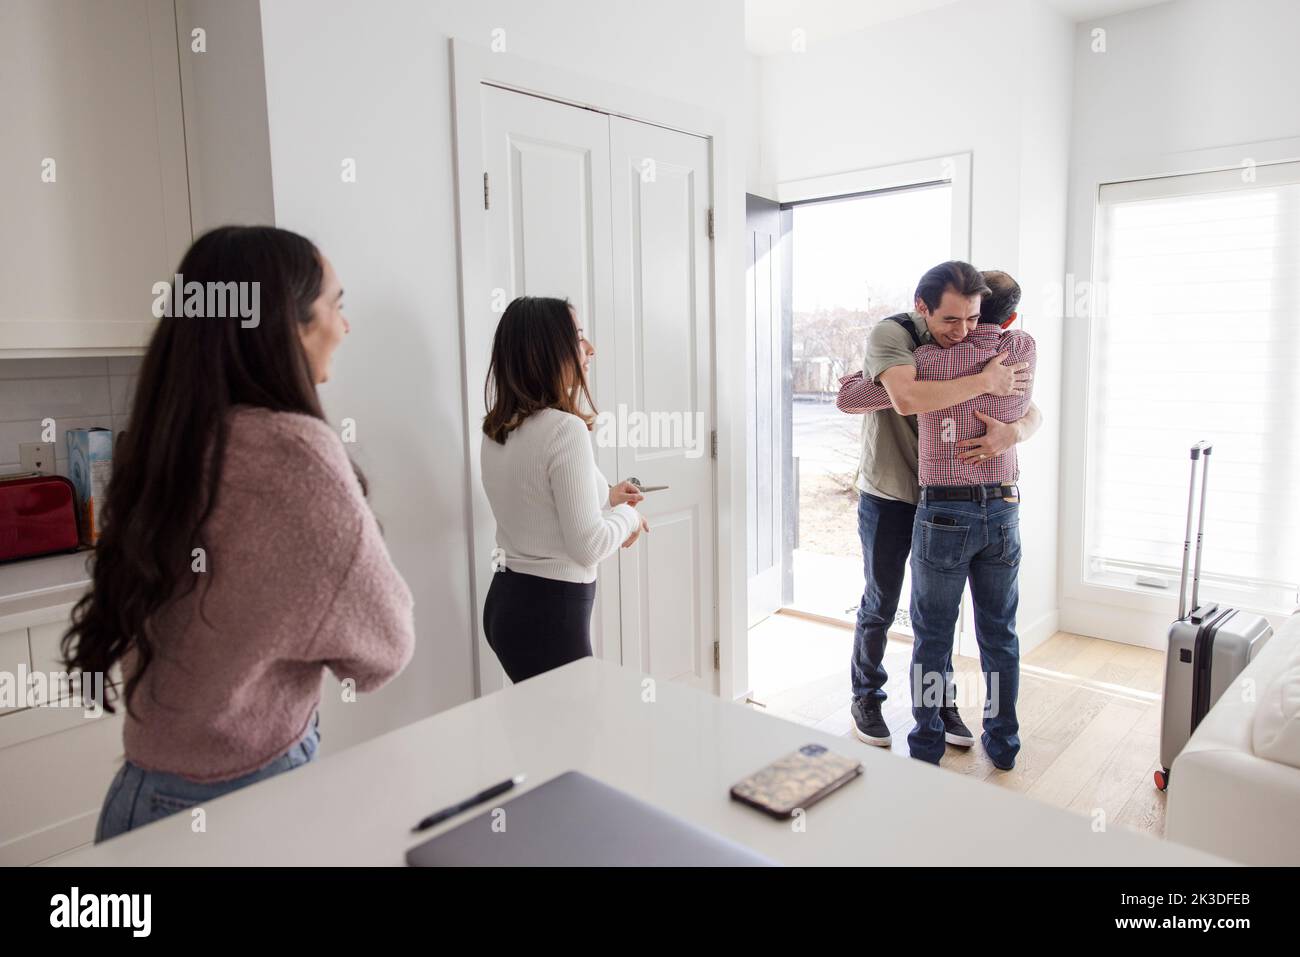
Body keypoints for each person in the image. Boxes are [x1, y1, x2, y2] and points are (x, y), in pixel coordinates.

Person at [64, 226, 416, 841]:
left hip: (137, 801)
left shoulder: (162, 441)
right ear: (290, 324)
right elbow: (385, 644)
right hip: (241, 810)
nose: (345, 325)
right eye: (337, 303)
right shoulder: (296, 452)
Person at [835, 262, 1039, 748]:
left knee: (935, 617)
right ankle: (867, 694)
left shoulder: (975, 347)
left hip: (943, 503)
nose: (964, 331)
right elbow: (897, 398)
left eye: (973, 319)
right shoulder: (897, 335)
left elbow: (1031, 408)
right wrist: (983, 382)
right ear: (923, 308)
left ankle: (940, 707)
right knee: (882, 602)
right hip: (891, 492)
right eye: (952, 321)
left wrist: (1014, 431)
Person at [480, 296, 648, 682]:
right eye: (578, 337)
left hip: (506, 603)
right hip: (550, 614)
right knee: (575, 737)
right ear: (546, 350)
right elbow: (587, 545)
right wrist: (630, 516)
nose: (590, 349)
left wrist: (607, 497)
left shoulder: (499, 427)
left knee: (540, 734)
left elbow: (536, 499)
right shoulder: (564, 429)